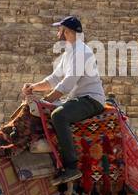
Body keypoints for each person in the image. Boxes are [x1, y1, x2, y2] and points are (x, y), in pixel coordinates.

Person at [21, 15, 106, 185]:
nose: (57, 32)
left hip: (90, 100)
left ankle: (72, 167)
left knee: (58, 115)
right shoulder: (69, 52)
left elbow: (67, 83)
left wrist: (45, 100)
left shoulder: (82, 51)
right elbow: (53, 79)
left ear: (67, 31)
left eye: (59, 29)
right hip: (76, 99)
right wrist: (33, 87)